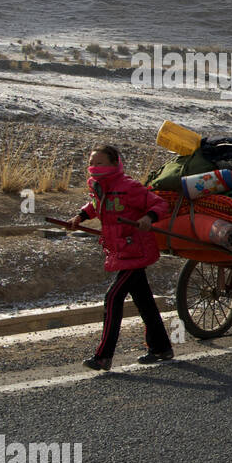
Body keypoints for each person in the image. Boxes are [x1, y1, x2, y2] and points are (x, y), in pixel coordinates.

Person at [72, 145, 174, 371]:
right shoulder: (100, 188)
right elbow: (97, 206)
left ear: (114, 164)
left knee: (113, 298)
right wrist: (81, 215)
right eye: (92, 162)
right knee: (144, 300)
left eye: (99, 163)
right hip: (120, 251)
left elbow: (160, 204)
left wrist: (149, 217)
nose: (94, 167)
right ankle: (161, 348)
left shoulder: (129, 187)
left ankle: (103, 356)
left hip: (135, 251)